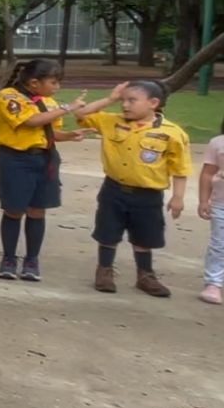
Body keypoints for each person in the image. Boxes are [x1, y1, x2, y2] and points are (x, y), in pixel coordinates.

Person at [76, 80, 189, 297]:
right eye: (123, 100)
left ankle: (145, 276)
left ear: (153, 103)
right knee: (107, 233)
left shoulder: (172, 133)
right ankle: (104, 271)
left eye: (132, 100)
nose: (125, 105)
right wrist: (111, 98)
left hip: (148, 195)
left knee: (144, 238)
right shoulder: (112, 122)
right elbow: (81, 114)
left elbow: (180, 169)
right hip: (114, 191)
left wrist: (178, 197)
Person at [0, 59, 87, 281]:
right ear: (34, 83)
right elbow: (32, 122)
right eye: (53, 82)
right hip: (16, 160)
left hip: (45, 159)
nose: (57, 87)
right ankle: (8, 258)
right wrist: (68, 108)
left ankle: (31, 259)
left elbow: (50, 133)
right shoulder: (9, 97)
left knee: (38, 210)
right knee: (14, 209)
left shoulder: (49, 103)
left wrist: (71, 136)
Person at [194, 117, 224, 304]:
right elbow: (208, 172)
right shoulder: (218, 143)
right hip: (221, 204)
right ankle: (213, 283)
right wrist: (204, 200)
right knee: (219, 244)